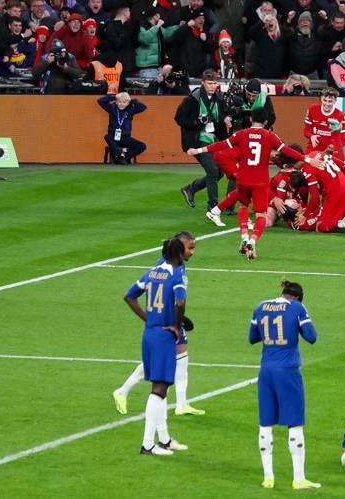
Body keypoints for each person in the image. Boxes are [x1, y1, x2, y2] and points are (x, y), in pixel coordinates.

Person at [189, 107, 304, 259]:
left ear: (251, 119)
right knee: (259, 211)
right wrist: (306, 158)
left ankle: (235, 228)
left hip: (243, 173)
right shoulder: (269, 137)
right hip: (237, 165)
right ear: (266, 122)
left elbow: (223, 144)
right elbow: (285, 151)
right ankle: (249, 237)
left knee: (243, 200)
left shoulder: (242, 134)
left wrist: (198, 150)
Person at [114, 232, 203, 417]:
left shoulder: (169, 263)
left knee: (180, 357)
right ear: (179, 248)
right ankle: (123, 391)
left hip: (166, 322)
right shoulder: (174, 269)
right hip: (167, 324)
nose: (192, 252)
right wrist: (163, 320)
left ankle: (181, 403)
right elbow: (170, 297)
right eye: (190, 247)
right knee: (167, 361)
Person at [249, 280, 320, 490]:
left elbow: (252, 338)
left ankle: (268, 477)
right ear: (297, 297)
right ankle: (298, 478)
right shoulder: (297, 308)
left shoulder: (260, 307)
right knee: (295, 423)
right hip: (288, 371)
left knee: (265, 424)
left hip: (266, 371)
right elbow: (312, 337)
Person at [123, 237, 189, 456]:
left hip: (149, 333)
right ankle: (148, 444)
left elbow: (129, 296)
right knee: (159, 390)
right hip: (163, 337)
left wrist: (149, 318)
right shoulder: (176, 274)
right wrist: (176, 326)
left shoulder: (151, 273)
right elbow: (180, 302)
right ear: (179, 255)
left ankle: (165, 439)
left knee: (161, 387)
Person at [176, 69, 231, 213]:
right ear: (202, 83)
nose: (213, 86)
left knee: (219, 173)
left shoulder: (218, 97)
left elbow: (223, 113)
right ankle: (213, 206)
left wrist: (226, 118)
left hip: (213, 139)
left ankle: (191, 189)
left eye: (214, 83)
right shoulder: (192, 98)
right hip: (197, 140)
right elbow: (179, 118)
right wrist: (197, 122)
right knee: (213, 171)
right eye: (209, 83)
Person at [98, 92, 148, 164]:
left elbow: (143, 107)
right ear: (116, 102)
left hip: (125, 138)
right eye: (119, 102)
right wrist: (114, 97)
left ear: (128, 103)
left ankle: (123, 157)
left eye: (124, 102)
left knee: (142, 146)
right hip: (113, 137)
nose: (121, 104)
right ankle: (119, 154)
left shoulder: (130, 110)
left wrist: (133, 101)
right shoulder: (112, 108)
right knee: (107, 137)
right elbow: (100, 101)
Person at [303, 88, 345, 158]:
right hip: (314, 146)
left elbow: (344, 139)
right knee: (307, 166)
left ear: (335, 101)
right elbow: (306, 131)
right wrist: (311, 136)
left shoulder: (340, 115)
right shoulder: (312, 109)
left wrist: (333, 147)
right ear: (321, 99)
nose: (327, 104)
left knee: (340, 165)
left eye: (330, 101)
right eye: (325, 100)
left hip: (331, 149)